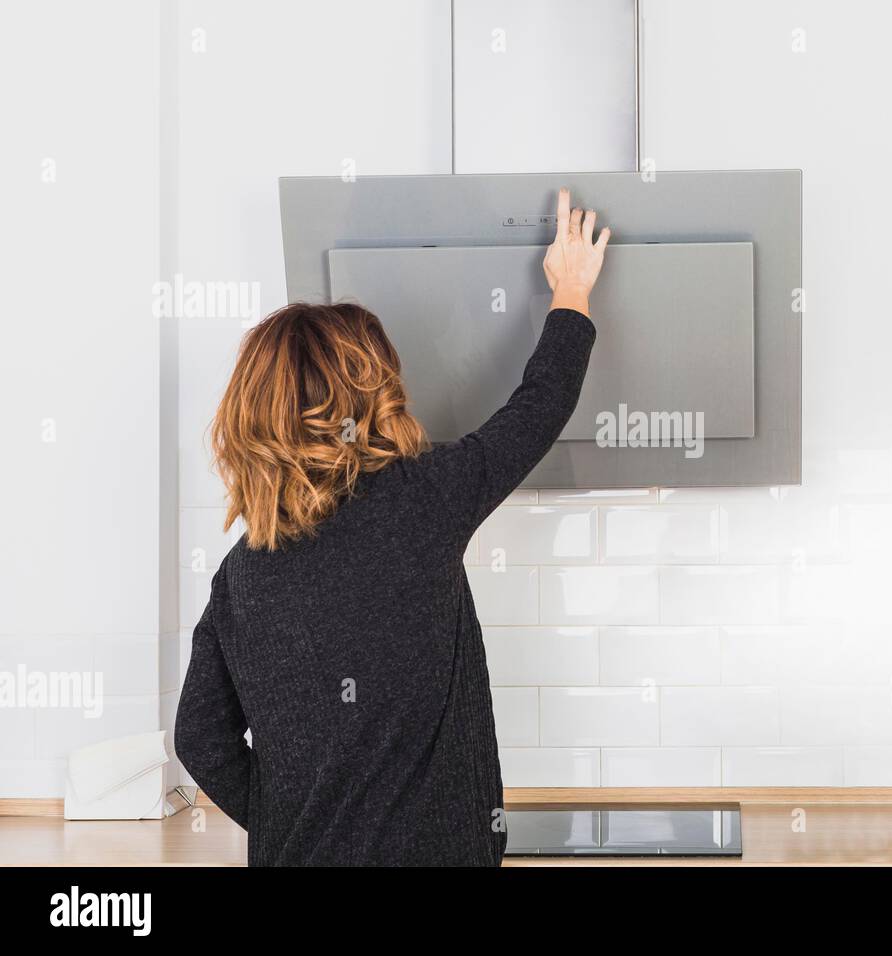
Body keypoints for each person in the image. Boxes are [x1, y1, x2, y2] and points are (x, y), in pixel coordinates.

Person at [175, 189, 609, 865]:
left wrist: (289, 821)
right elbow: (539, 406)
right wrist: (572, 291)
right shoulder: (422, 500)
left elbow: (200, 738)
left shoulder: (244, 571)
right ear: (374, 395)